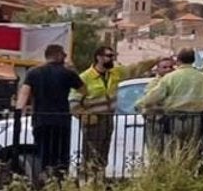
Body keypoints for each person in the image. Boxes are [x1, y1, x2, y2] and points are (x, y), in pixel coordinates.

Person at [18, 43, 85, 181]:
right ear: (59, 55)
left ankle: (44, 177)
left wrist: (19, 111)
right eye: (64, 55)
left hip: (40, 120)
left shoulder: (33, 72)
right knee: (61, 154)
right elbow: (84, 90)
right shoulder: (67, 73)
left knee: (43, 151)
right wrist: (73, 69)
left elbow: (24, 93)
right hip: (61, 121)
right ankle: (59, 179)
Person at [139, 47, 203, 164]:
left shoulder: (170, 78)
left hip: (173, 119)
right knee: (191, 152)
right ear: (193, 60)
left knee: (172, 153)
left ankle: (174, 176)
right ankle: (188, 175)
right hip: (195, 120)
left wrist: (140, 104)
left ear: (178, 61)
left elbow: (153, 97)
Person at [74, 44, 124, 179]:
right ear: (98, 57)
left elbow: (134, 69)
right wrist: (85, 116)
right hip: (93, 121)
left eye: (113, 56)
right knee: (91, 154)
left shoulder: (113, 73)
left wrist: (154, 61)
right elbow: (73, 101)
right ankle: (87, 184)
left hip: (108, 119)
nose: (112, 59)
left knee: (103, 154)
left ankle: (98, 183)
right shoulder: (86, 77)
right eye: (109, 56)